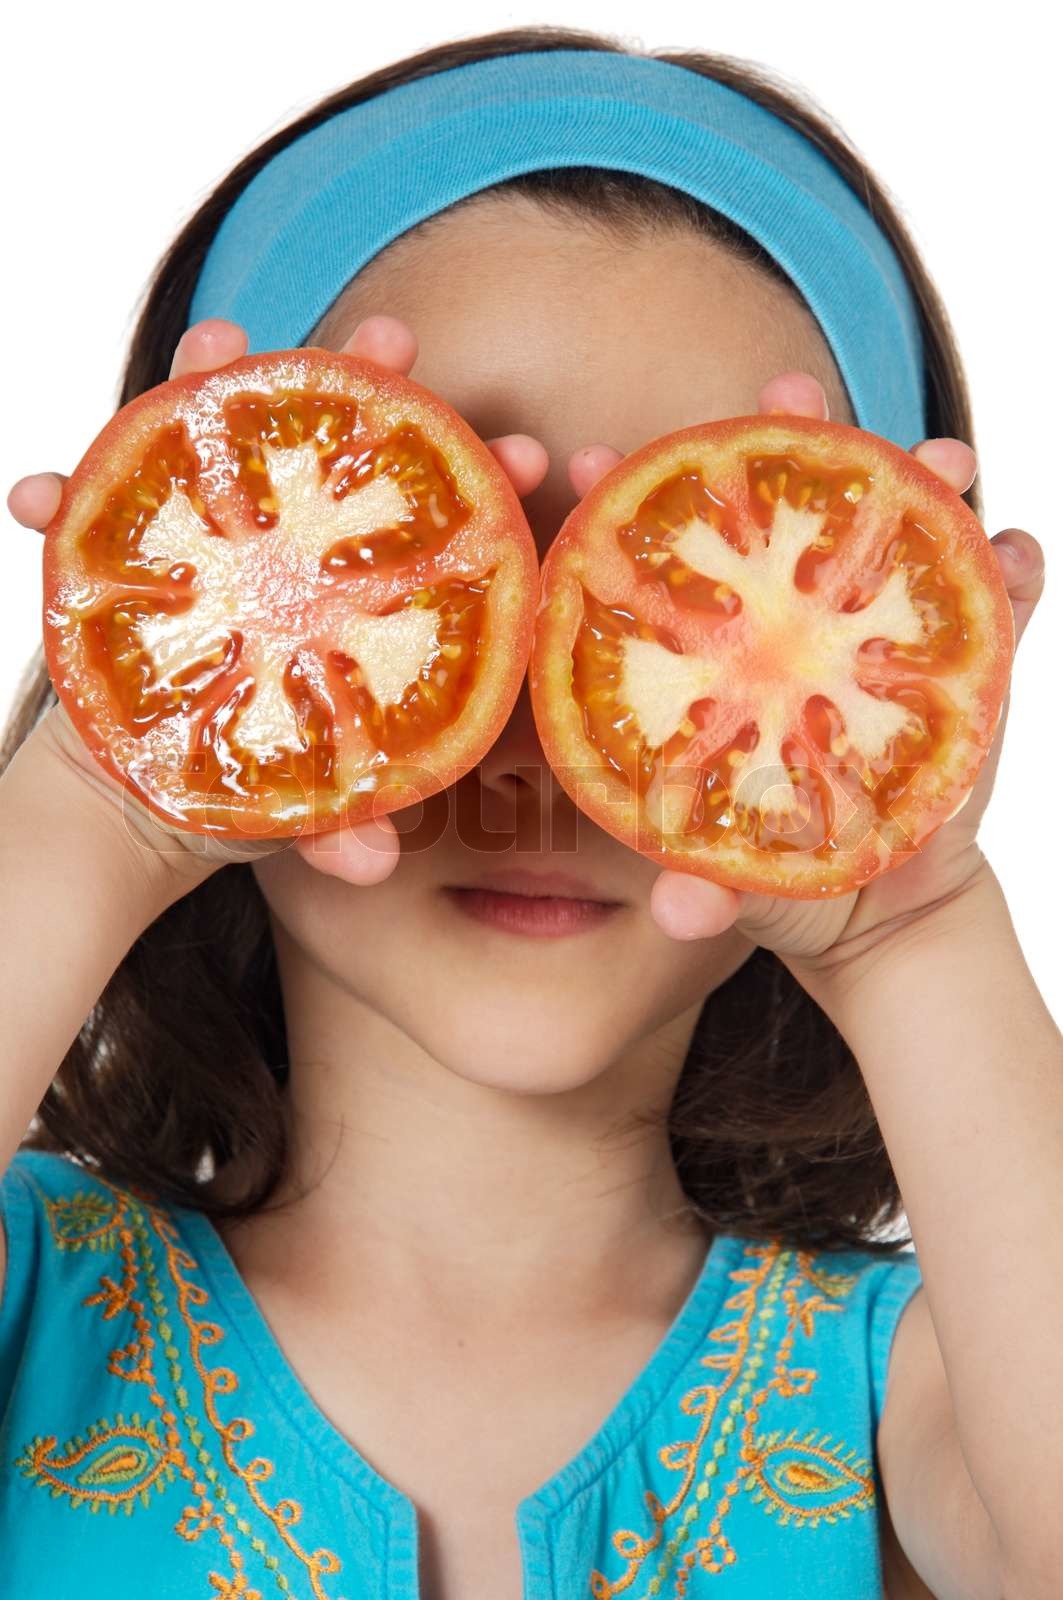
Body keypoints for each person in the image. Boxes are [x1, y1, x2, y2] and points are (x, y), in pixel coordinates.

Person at [0, 23, 1057, 1600]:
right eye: (420, 588)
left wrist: (912, 935)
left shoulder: (915, 1399)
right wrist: (117, 790)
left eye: (673, 603)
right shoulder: (32, 1296)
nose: (545, 756)